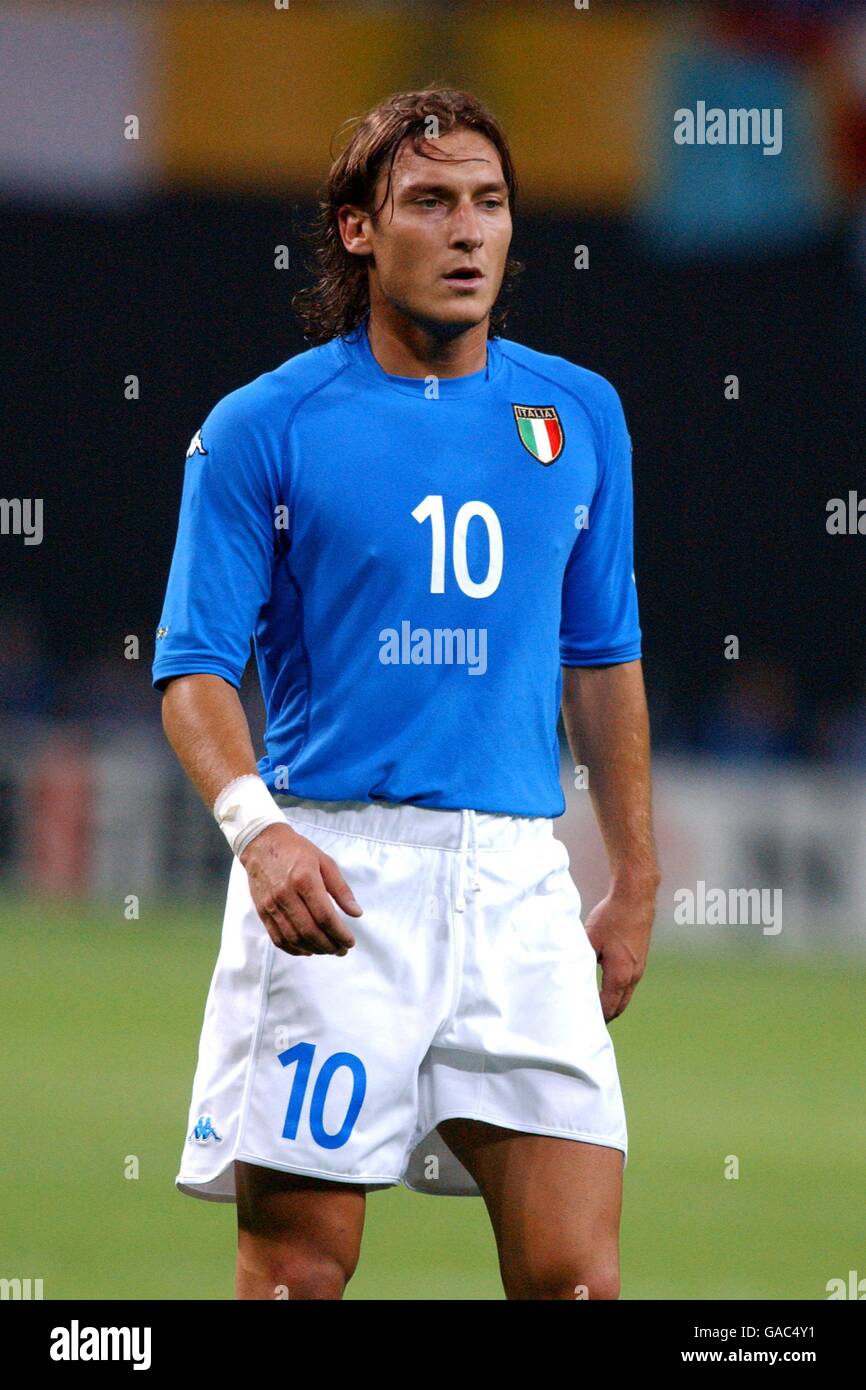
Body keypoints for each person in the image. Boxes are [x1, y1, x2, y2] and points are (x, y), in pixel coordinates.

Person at [152, 86, 660, 1301]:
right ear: (358, 231)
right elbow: (192, 673)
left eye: (488, 202)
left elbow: (602, 656)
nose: (467, 229)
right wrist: (255, 832)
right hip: (335, 876)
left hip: (516, 882)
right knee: (295, 1276)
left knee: (578, 1281)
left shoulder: (576, 413)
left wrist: (634, 875)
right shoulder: (263, 427)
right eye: (429, 200)